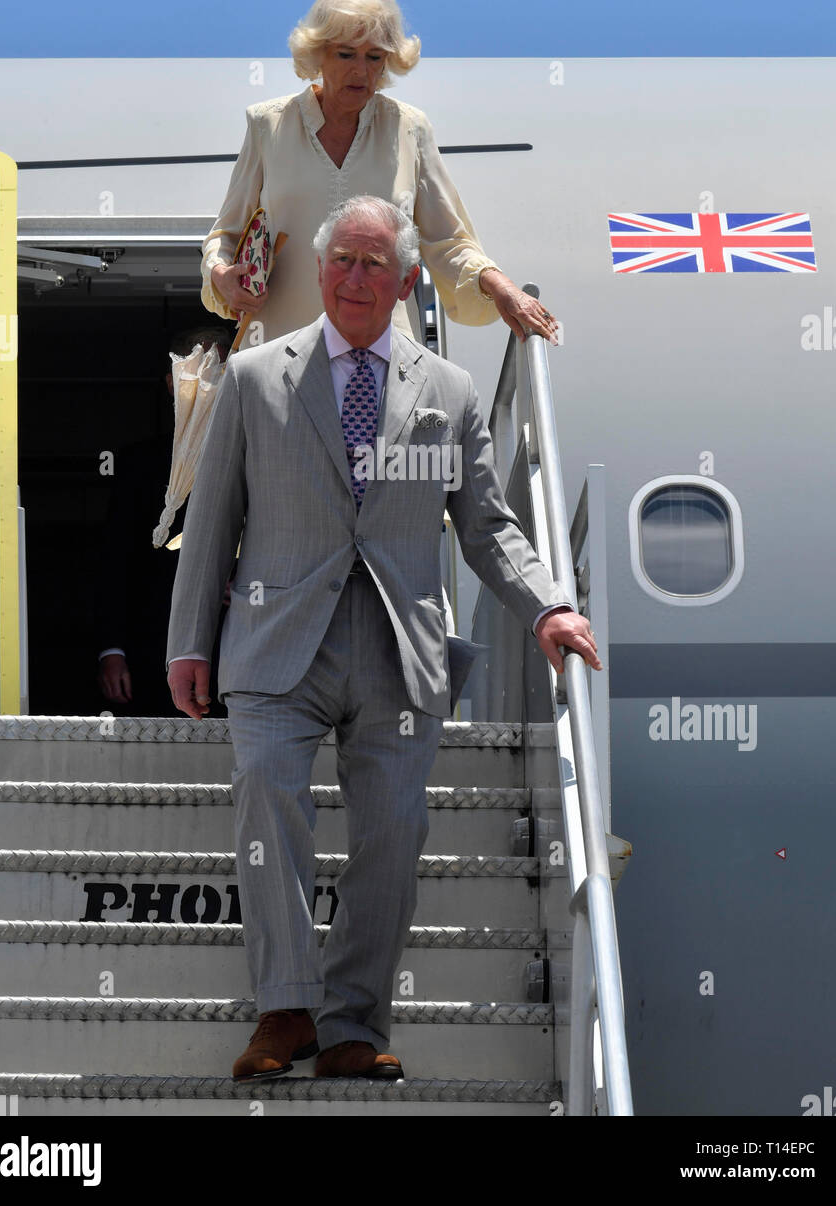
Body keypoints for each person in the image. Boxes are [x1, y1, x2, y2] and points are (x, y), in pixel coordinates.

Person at [166, 196, 599, 1081]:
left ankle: (354, 1022)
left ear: (407, 282)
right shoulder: (254, 378)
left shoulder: (448, 390)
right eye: (341, 262)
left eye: (374, 265)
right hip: (277, 640)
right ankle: (285, 1011)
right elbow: (212, 520)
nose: (354, 279)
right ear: (321, 273)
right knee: (266, 797)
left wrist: (547, 606)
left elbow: (485, 524)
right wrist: (189, 643)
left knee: (392, 835)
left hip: (399, 648)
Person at [199, 0, 559, 348]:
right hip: (278, 352)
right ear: (319, 52)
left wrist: (501, 286)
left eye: (374, 57)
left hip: (381, 356)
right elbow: (225, 237)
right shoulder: (267, 124)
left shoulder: (410, 129)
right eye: (345, 54)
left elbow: (448, 243)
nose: (361, 71)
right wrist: (221, 275)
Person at [95, 325, 233, 717]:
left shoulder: (262, 457)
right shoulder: (139, 465)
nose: (210, 387)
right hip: (154, 644)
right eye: (199, 375)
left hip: (241, 651)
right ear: (173, 384)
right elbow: (115, 561)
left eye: (220, 373)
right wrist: (112, 650)